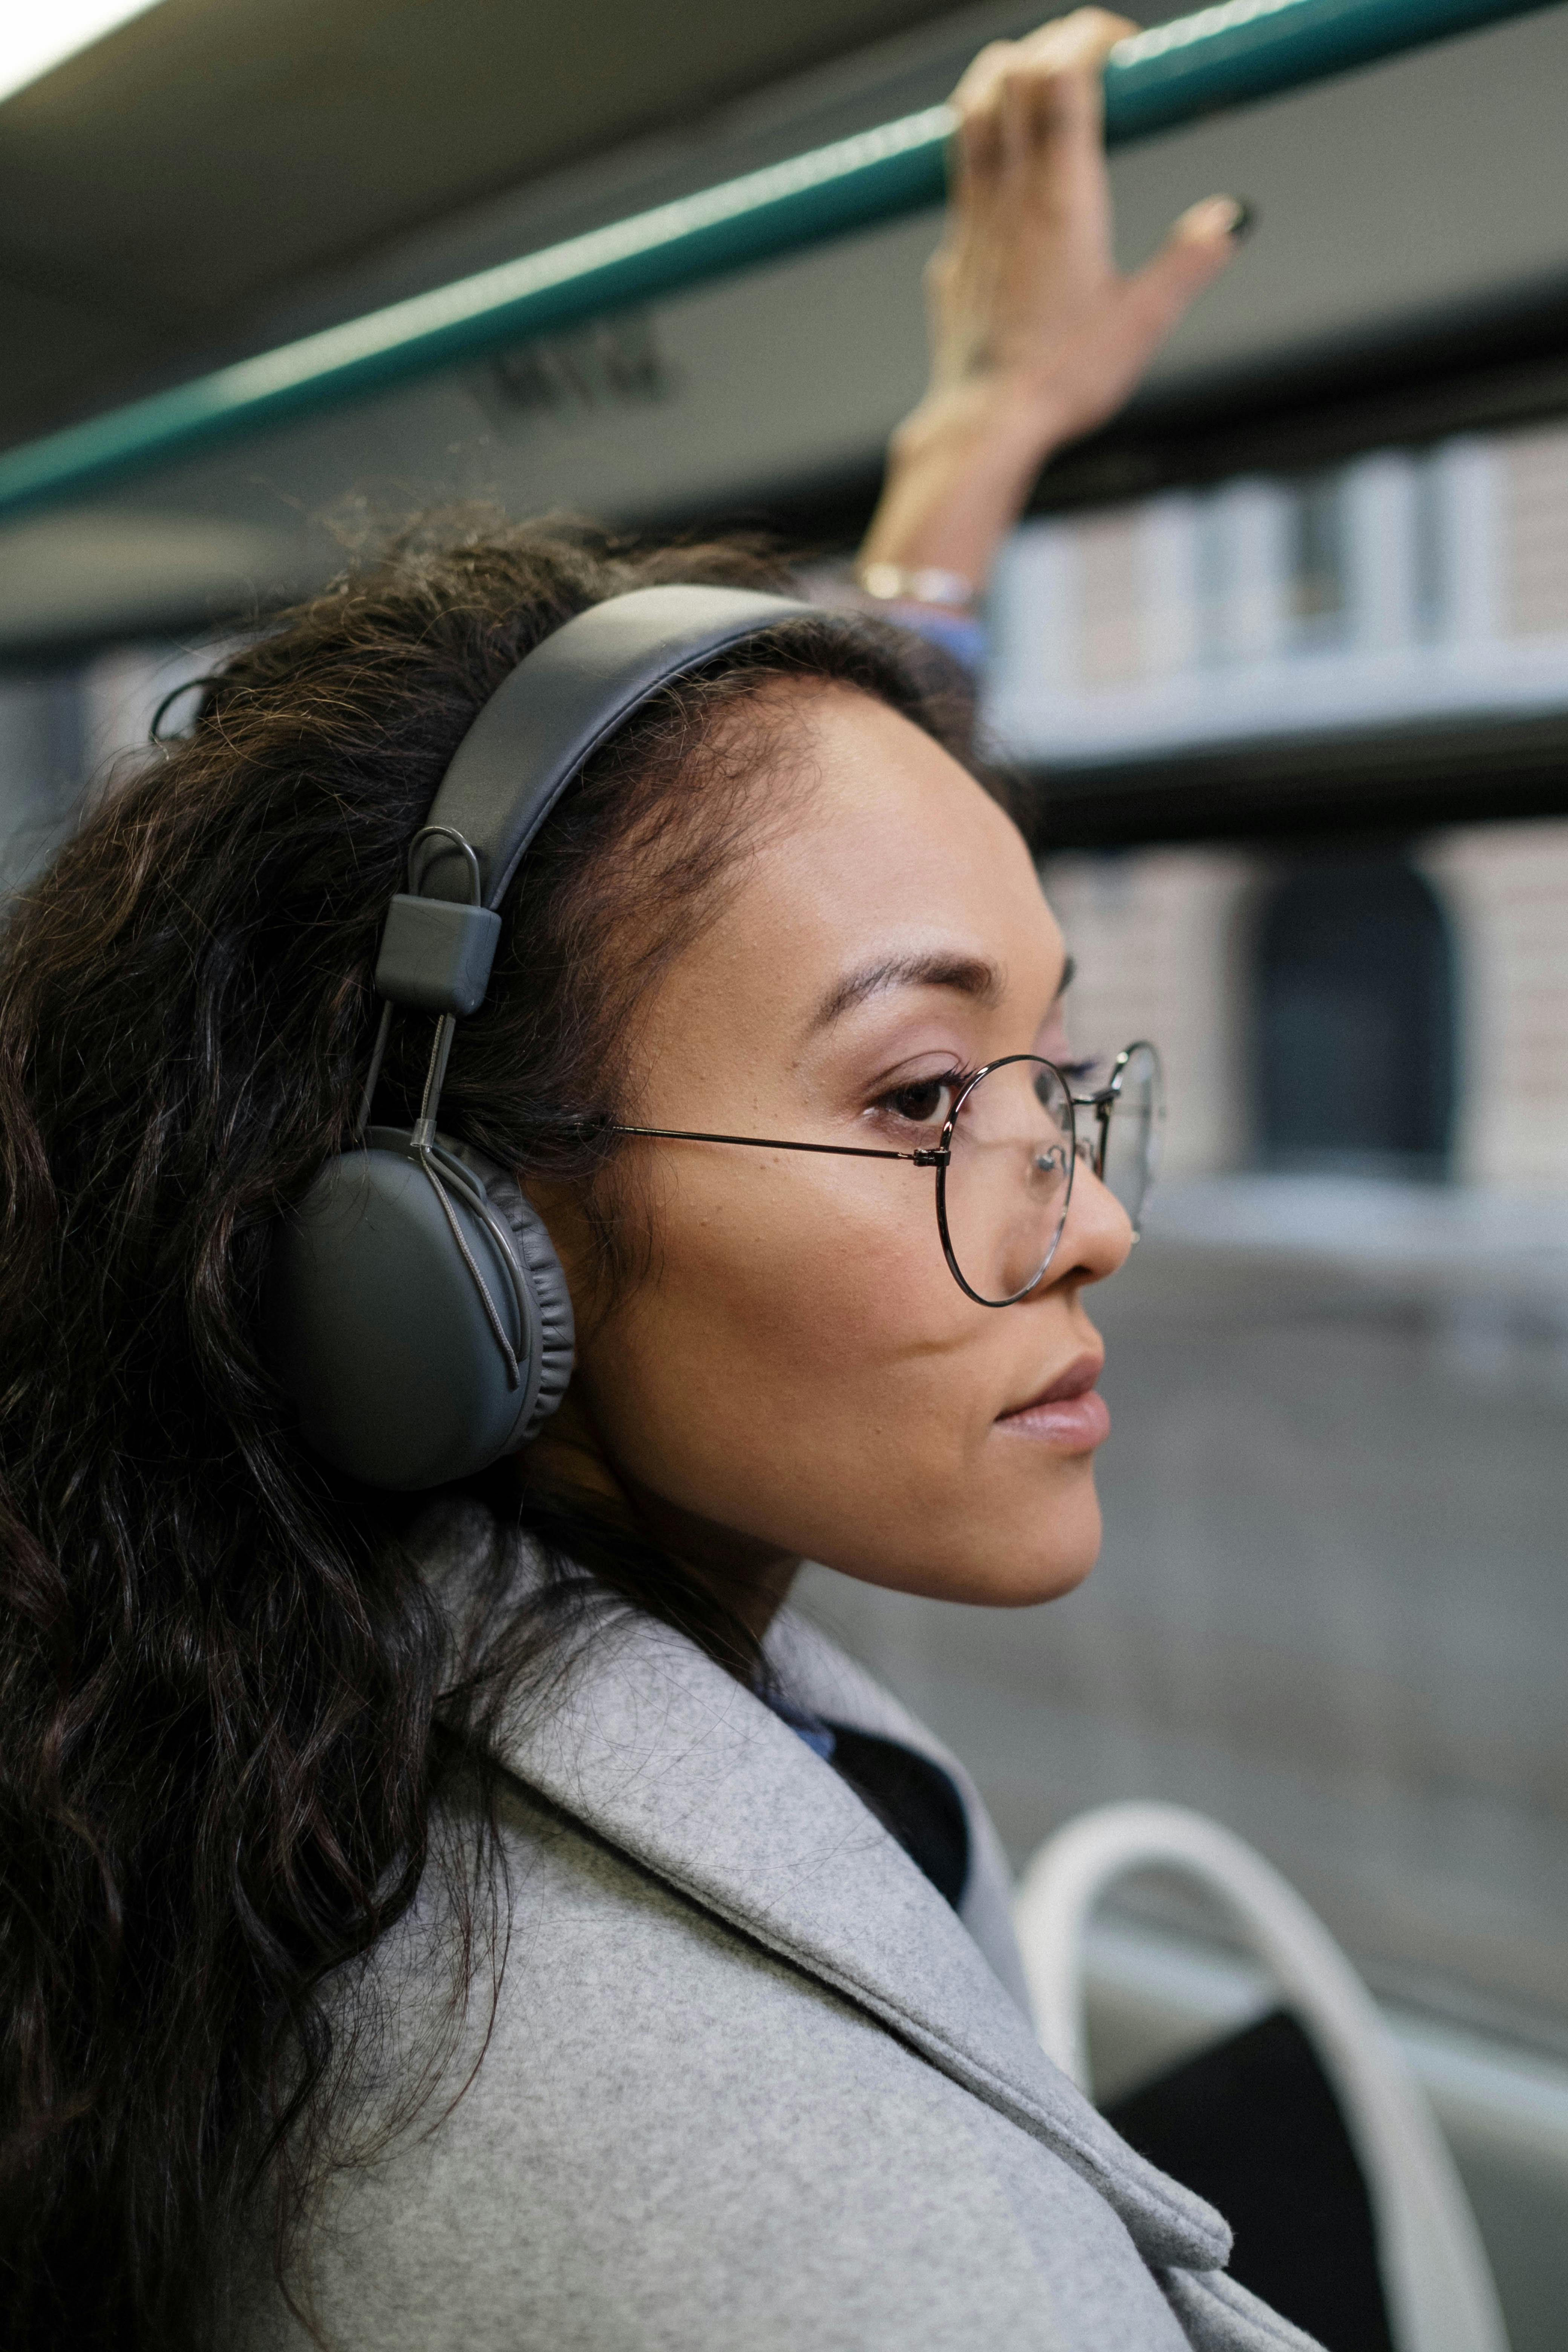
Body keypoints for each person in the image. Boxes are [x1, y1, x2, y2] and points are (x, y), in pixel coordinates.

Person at [0, 14, 1293, 2350]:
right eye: (921, 1107)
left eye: (1053, 1069)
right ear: (445, 1246)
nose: (1085, 1212)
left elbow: (774, 896)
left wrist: (973, 450)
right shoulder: (807, 2243)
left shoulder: (252, 1688)